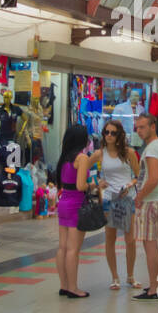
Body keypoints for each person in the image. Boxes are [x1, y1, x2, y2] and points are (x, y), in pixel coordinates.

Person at [92, 119, 140, 290]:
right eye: (106, 132)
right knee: (110, 239)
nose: (109, 136)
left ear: (119, 135)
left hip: (126, 198)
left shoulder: (129, 153)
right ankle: (114, 277)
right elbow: (85, 169)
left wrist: (130, 184)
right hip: (109, 199)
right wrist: (98, 182)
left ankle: (131, 275)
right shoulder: (100, 153)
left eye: (113, 132)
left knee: (130, 239)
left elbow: (138, 175)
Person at [55, 124, 97, 298]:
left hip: (63, 202)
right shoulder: (81, 157)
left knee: (63, 247)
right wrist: (94, 185)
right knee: (74, 249)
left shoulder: (64, 158)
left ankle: (64, 286)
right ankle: (73, 288)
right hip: (76, 204)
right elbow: (81, 185)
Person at [131, 113, 158, 299]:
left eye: (142, 127)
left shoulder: (153, 149)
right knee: (152, 244)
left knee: (150, 245)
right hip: (156, 199)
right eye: (137, 127)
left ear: (153, 126)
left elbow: (153, 178)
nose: (139, 130)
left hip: (151, 200)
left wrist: (140, 196)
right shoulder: (156, 146)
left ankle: (155, 289)